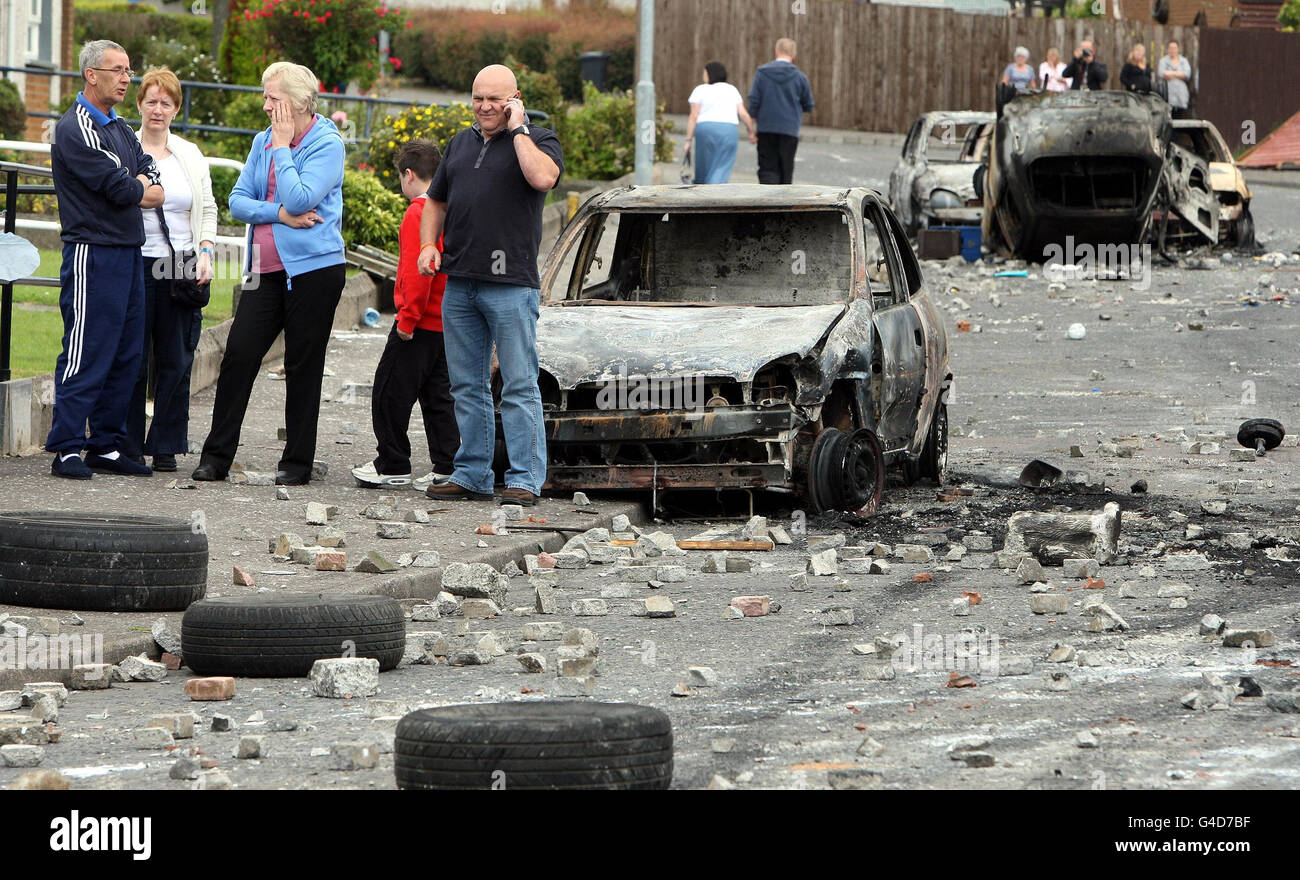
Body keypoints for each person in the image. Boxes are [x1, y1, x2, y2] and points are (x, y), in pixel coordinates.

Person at [191, 61, 346, 486]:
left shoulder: (325, 143)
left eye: (272, 98)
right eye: (265, 96)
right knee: (239, 354)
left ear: (297, 103)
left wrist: (282, 150)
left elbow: (301, 198)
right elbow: (238, 201)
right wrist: (276, 212)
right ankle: (215, 458)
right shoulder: (262, 142)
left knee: (302, 365)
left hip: (315, 271)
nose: (265, 106)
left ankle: (296, 464)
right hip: (264, 270)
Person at [415, 64, 563, 506]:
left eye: (495, 99)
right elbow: (435, 201)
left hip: (511, 284)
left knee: (519, 384)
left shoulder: (540, 140)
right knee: (465, 385)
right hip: (460, 281)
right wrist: (428, 245)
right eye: (478, 98)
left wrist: (519, 130)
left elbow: (543, 179)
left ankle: (524, 479)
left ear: (515, 98)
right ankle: (473, 474)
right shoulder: (460, 142)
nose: (484, 107)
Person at [46, 40, 162, 480]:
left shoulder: (119, 126)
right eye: (118, 70)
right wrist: (138, 186)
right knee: (86, 350)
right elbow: (122, 187)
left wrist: (138, 184)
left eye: (129, 70)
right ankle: (66, 447)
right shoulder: (75, 127)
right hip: (91, 253)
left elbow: (149, 175)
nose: (126, 78)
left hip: (128, 252)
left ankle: (106, 445)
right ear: (91, 74)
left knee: (127, 352)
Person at [351, 139, 458, 491]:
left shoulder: (418, 212)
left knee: (388, 392)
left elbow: (418, 272)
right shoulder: (449, 207)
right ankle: (447, 463)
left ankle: (392, 462)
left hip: (419, 319)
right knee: (438, 396)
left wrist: (407, 320)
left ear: (408, 175)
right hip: (445, 320)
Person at [127, 67, 217, 474]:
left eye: (166, 102)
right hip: (132, 260)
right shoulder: (124, 147)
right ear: (139, 104)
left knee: (175, 357)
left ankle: (164, 444)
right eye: (151, 101)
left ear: (176, 108)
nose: (157, 109)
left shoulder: (190, 154)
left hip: (178, 264)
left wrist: (205, 251)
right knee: (130, 355)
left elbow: (208, 208)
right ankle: (125, 442)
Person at [747, 38, 814, 185]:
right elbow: (808, 105)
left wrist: (750, 129)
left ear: (776, 51)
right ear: (794, 54)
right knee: (786, 169)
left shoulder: (762, 73)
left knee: (767, 169)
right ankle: (784, 203)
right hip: (789, 129)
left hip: (766, 128)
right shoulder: (800, 77)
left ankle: (768, 203)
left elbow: (754, 102)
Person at [683, 61, 755, 184]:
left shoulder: (700, 90)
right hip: (728, 129)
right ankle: (716, 191)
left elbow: (693, 116)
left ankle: (703, 192)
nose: (703, 75)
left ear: (710, 74)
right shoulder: (732, 90)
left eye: (704, 73)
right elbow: (743, 114)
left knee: (704, 166)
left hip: (705, 129)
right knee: (722, 164)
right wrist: (751, 132)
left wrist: (688, 140)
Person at [1158, 41, 1192, 118]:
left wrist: (1171, 73)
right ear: (1167, 49)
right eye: (1171, 48)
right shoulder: (1163, 61)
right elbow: (1162, 73)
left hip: (1180, 93)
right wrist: (1179, 74)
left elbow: (1187, 74)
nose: (1172, 50)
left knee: (1180, 115)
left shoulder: (1183, 61)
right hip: (1168, 92)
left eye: (1174, 48)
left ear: (1178, 49)